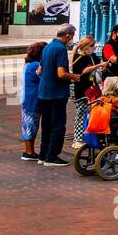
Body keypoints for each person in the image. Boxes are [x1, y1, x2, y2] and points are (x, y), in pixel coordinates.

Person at [36, 25, 79, 166]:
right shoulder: (60, 49)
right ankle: (52, 156)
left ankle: (43, 155)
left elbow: (40, 70)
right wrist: (74, 77)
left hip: (44, 92)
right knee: (58, 126)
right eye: (72, 36)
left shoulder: (48, 47)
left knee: (47, 125)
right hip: (56, 94)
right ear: (68, 36)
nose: (71, 39)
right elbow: (61, 73)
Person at [69, 35, 105, 148]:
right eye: (92, 46)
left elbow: (100, 62)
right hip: (82, 90)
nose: (94, 48)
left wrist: (102, 64)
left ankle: (89, 136)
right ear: (85, 47)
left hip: (93, 89)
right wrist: (98, 65)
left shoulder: (92, 56)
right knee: (81, 113)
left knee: (92, 113)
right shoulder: (79, 58)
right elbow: (84, 71)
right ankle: (77, 139)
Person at [20, 42, 46, 161]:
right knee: (31, 125)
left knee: (28, 124)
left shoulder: (28, 64)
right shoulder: (36, 65)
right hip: (33, 99)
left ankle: (29, 150)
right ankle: (29, 151)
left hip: (27, 98)